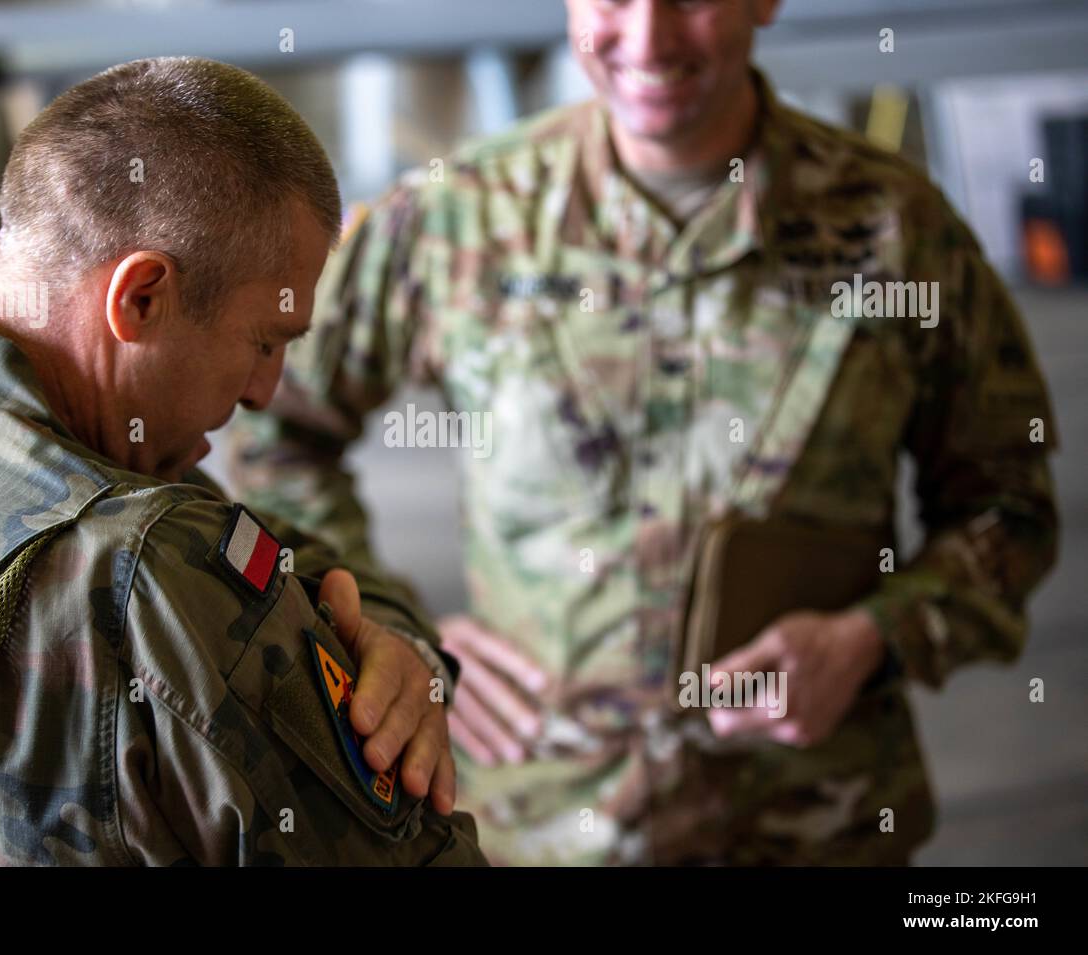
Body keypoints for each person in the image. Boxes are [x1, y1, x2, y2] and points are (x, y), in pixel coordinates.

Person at [225, 0, 1060, 865]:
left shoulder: (896, 233)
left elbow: (1010, 510)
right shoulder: (459, 219)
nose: (651, 38)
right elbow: (274, 428)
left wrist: (875, 637)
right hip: (535, 830)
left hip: (817, 823)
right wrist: (392, 627)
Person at [0, 57, 483, 867]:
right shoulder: (143, 572)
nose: (265, 393)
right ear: (140, 297)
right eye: (264, 342)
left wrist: (392, 635)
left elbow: (278, 544)